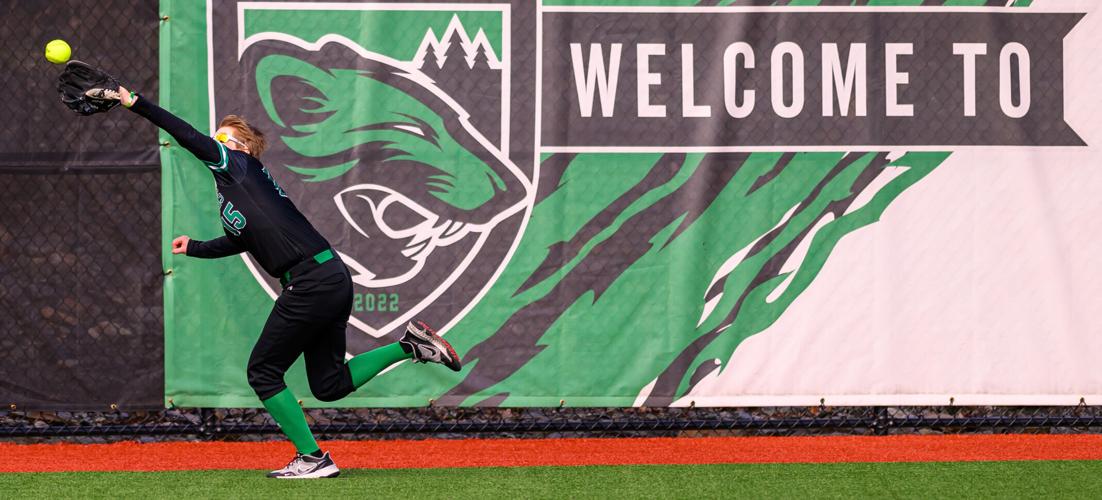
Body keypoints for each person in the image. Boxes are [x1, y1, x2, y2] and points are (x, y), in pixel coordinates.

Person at [104, 85, 462, 479]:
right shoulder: (241, 190)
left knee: (262, 372)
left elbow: (185, 134)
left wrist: (133, 102)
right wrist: (195, 247)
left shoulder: (236, 166)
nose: (215, 141)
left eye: (222, 137)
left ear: (238, 147)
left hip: (311, 281)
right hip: (328, 277)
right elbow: (240, 240)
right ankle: (409, 345)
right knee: (329, 384)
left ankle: (313, 458)